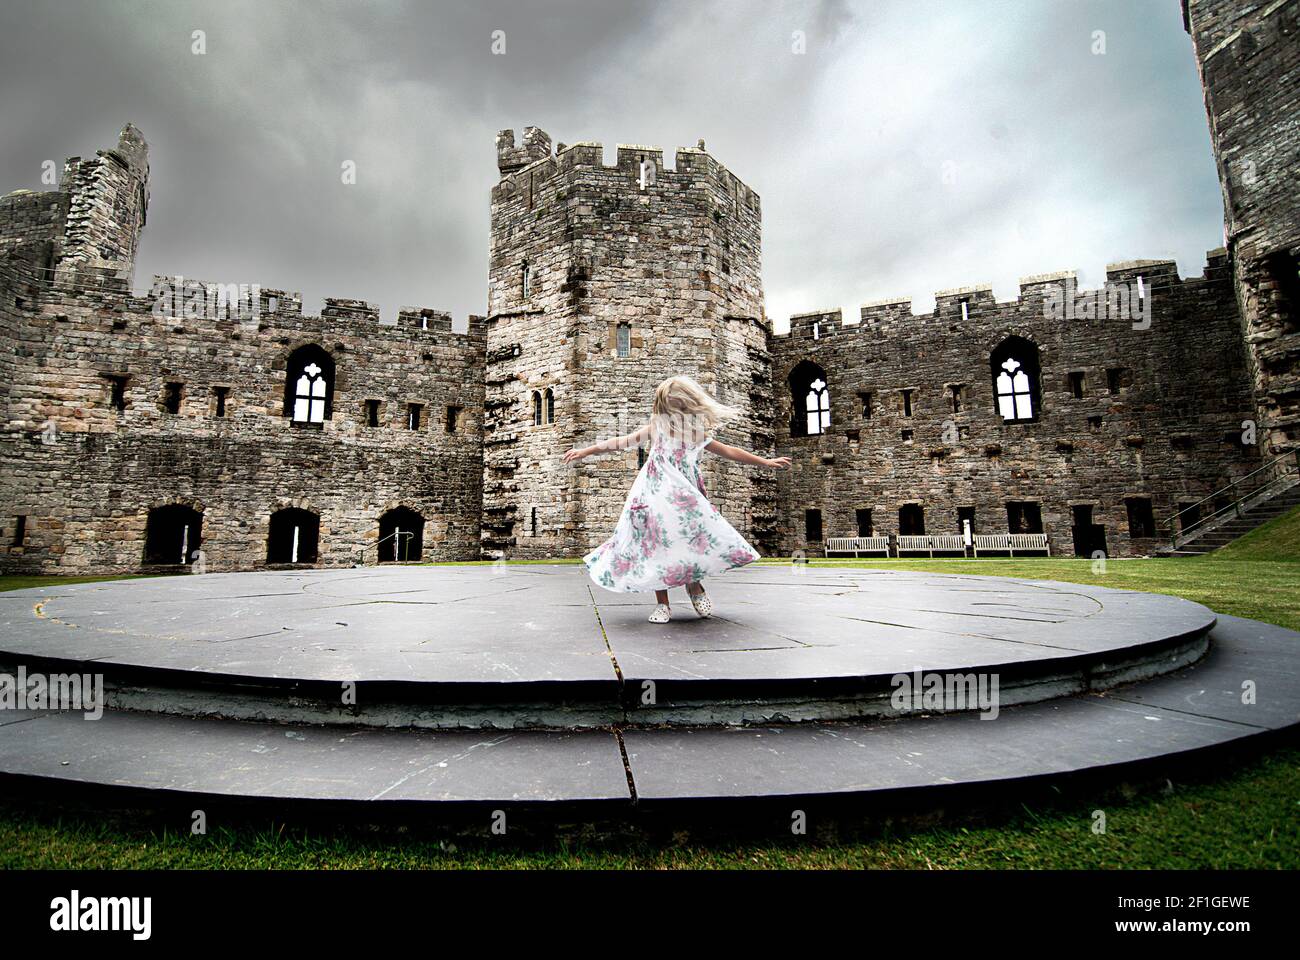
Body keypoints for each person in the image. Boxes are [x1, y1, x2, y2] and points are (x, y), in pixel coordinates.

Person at [563, 375, 791, 622]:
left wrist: (765, 461)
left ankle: (694, 585)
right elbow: (621, 442)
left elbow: (730, 451)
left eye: (677, 406)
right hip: (652, 492)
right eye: (668, 407)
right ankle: (662, 604)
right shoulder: (657, 428)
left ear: (687, 406)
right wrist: (586, 451)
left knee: (688, 540)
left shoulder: (697, 434)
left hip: (685, 497)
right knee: (653, 544)